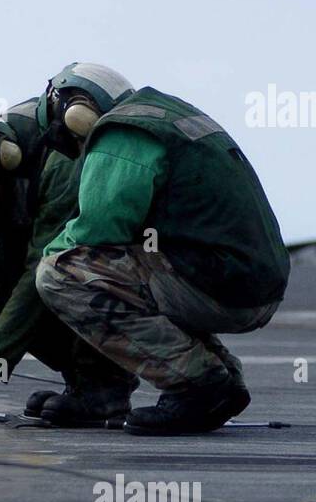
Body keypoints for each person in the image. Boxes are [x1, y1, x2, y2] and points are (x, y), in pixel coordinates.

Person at [34, 63, 290, 434]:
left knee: (60, 273)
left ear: (76, 112)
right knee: (142, 268)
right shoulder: (164, 115)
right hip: (252, 284)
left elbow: (99, 228)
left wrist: (46, 255)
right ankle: (222, 381)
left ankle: (196, 383)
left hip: (218, 286)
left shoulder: (122, 131)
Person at [0, 104, 137, 425]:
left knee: (58, 273)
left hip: (131, 277)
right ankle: (83, 383)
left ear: (3, 158)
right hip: (59, 275)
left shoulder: (58, 163)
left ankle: (105, 382)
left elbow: (38, 273)